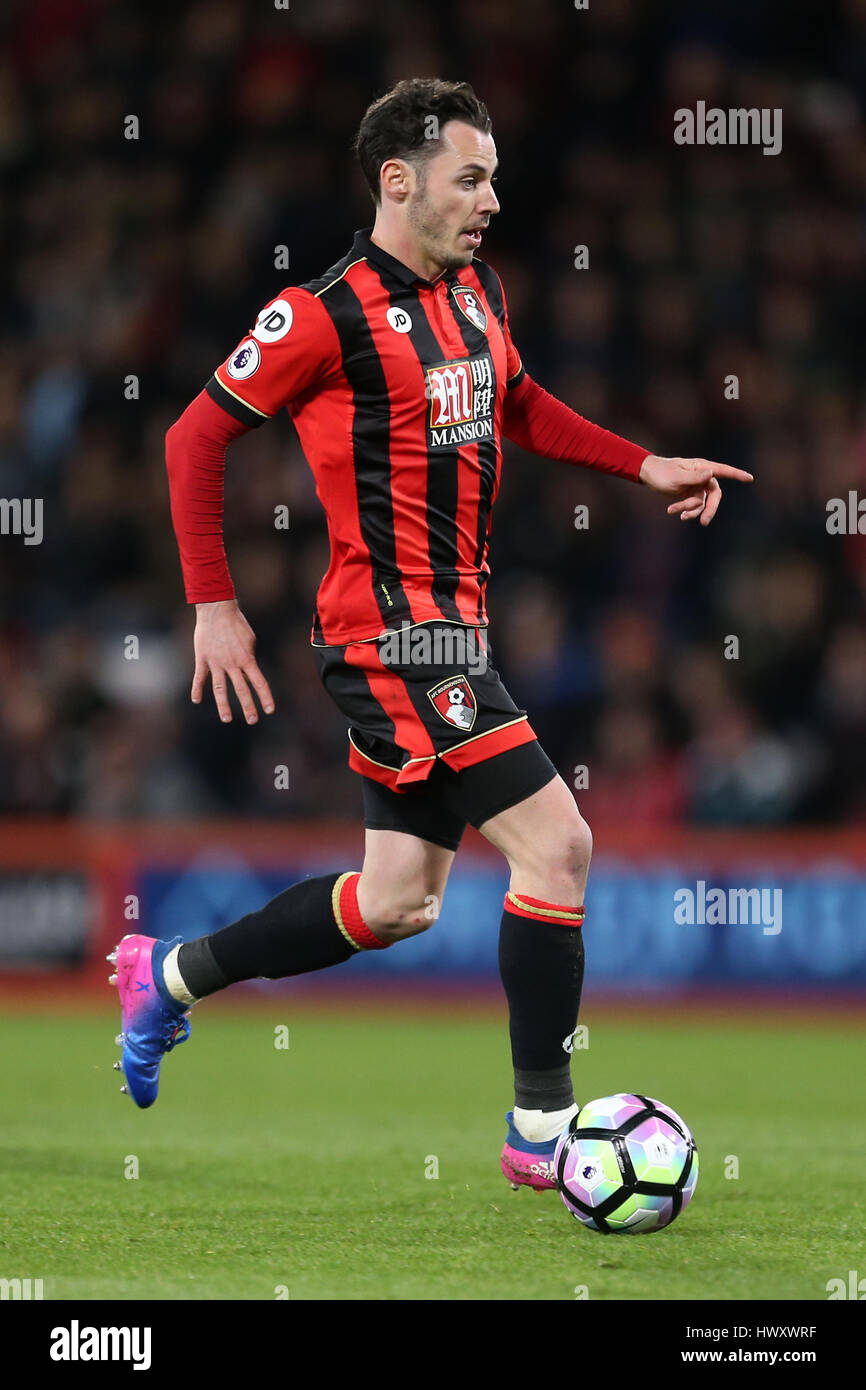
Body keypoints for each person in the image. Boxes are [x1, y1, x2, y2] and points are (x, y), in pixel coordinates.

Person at [110, 78, 752, 1192]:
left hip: (454, 629)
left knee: (396, 898)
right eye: (471, 176)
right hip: (396, 638)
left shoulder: (474, 293)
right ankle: (539, 1130)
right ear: (397, 182)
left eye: (494, 176)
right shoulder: (319, 314)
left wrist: (642, 463)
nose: (491, 198)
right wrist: (214, 604)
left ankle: (164, 974)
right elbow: (190, 438)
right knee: (558, 848)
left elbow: (518, 400)